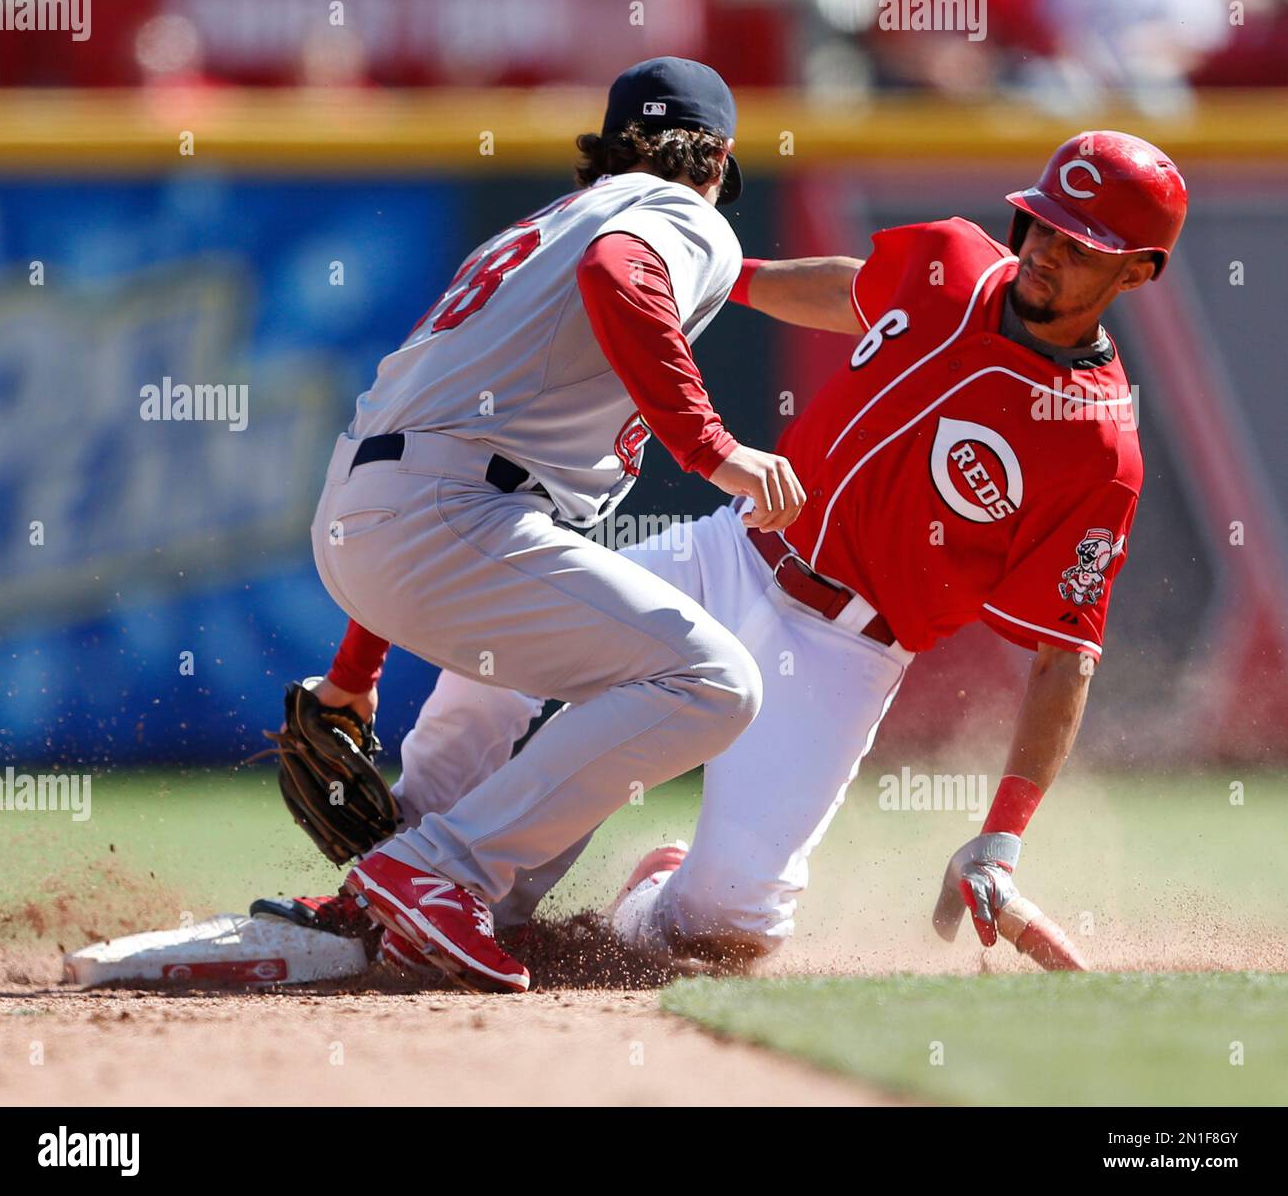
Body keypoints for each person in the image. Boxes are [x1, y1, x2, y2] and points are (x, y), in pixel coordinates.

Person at [269, 130, 1186, 979]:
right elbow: (846, 288)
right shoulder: (951, 260)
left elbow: (1067, 656)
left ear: (1138, 272)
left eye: (1081, 246)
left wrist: (1002, 837)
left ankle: (639, 906)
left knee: (731, 924)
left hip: (847, 648)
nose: (1045, 252)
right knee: (501, 657)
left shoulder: (1100, 448)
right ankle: (410, 873)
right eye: (1044, 225)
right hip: (733, 553)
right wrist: (716, 271)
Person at [299, 56, 804, 992]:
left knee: (496, 686)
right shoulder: (678, 214)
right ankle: (436, 874)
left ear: (607, 147)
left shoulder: (540, 230)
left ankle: (415, 879)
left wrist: (352, 676)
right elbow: (627, 272)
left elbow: (437, 431)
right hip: (447, 511)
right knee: (711, 682)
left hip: (378, 516)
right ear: (720, 160)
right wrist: (713, 448)